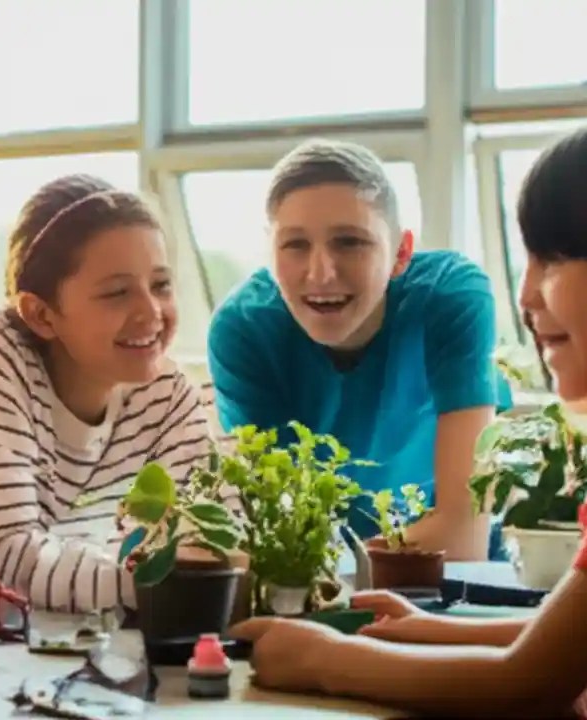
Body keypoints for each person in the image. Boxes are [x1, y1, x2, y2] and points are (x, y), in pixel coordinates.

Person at [230, 103, 587, 718]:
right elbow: (578, 642)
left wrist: (323, 661)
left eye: (553, 261)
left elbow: (529, 682)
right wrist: (425, 630)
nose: (527, 292)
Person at [0, 174, 218, 612]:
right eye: (117, 293)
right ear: (41, 314)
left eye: (160, 285)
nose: (151, 312)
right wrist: (165, 584)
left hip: (103, 646)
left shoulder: (166, 394)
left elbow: (221, 537)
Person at [207, 139, 509, 561]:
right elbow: (279, 531)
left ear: (401, 252)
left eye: (349, 242)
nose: (321, 273)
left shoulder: (450, 297)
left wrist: (320, 569)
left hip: (441, 559)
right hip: (336, 559)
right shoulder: (244, 330)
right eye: (294, 245)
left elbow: (462, 535)